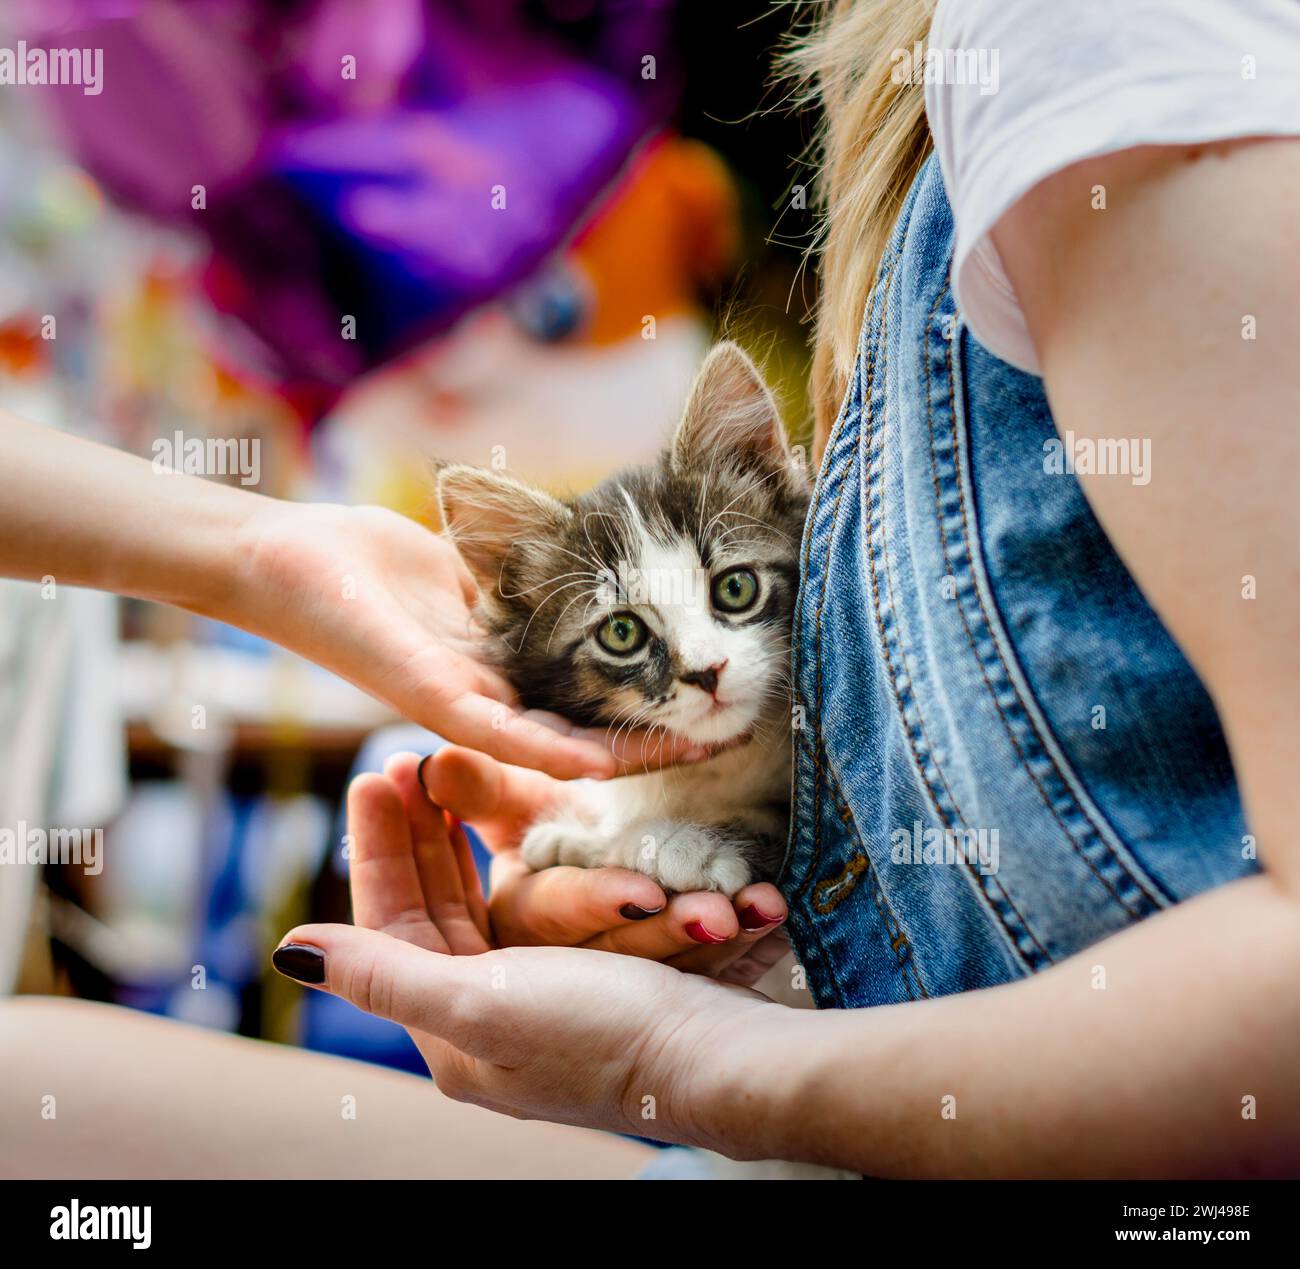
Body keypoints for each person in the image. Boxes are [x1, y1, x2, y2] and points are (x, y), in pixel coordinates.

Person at [5, 0, 1300, 1178]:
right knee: (36, 1089)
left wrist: (675, 1062)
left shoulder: (1101, 46)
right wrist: (728, 947)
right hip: (890, 1086)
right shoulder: (955, 120)